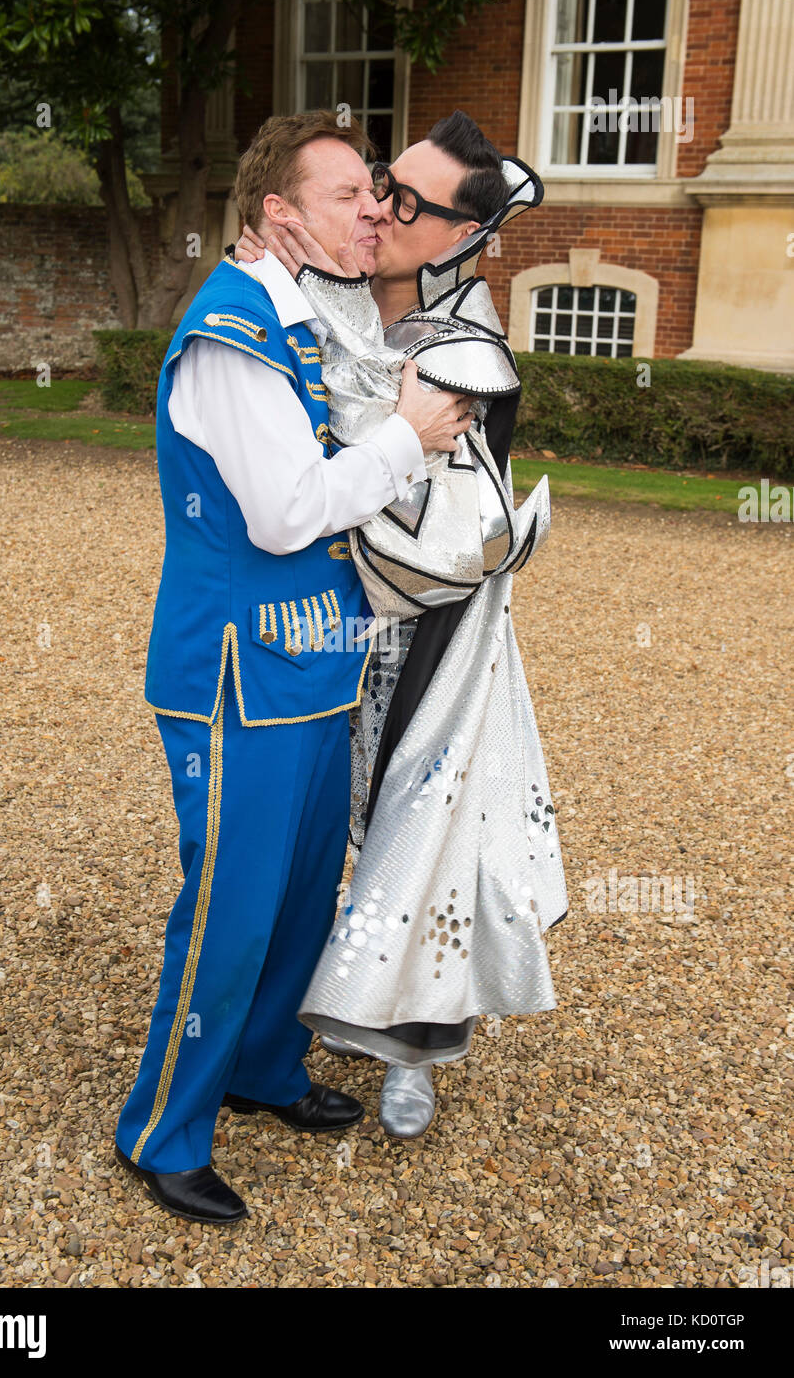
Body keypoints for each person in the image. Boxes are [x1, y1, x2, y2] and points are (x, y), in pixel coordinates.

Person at [113, 111, 475, 1225]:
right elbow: (283, 515)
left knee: (299, 895)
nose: (375, 213)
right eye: (348, 198)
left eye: (377, 195)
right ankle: (161, 1129)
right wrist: (404, 438)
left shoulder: (299, 318)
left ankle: (263, 1069)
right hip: (234, 675)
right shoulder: (231, 333)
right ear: (278, 214)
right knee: (227, 910)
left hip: (312, 663)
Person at [235, 112, 567, 1139]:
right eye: (381, 182)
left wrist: (294, 285)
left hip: (439, 620)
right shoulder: (335, 282)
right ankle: (278, 1022)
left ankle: (411, 1048)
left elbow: (363, 416)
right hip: (326, 605)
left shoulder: (466, 339)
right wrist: (279, 280)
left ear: (462, 238)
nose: (381, 205)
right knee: (316, 813)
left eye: (411, 203)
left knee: (425, 817)